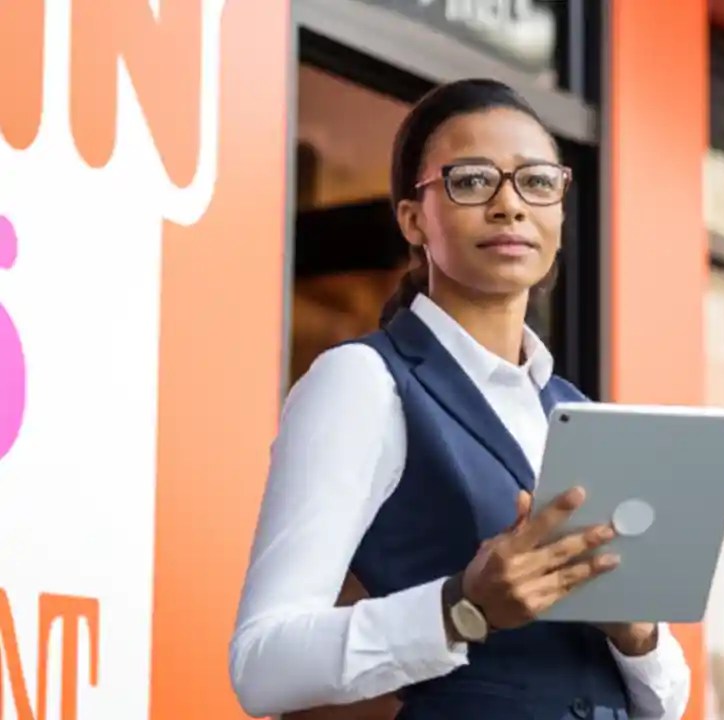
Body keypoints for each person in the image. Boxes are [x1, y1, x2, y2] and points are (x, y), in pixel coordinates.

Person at [229, 79, 692, 720]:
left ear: (559, 210)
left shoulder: (575, 411)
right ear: (413, 219)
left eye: (536, 181)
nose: (509, 205)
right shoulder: (363, 381)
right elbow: (262, 665)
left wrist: (637, 634)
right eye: (472, 181)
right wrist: (459, 608)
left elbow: (664, 702)